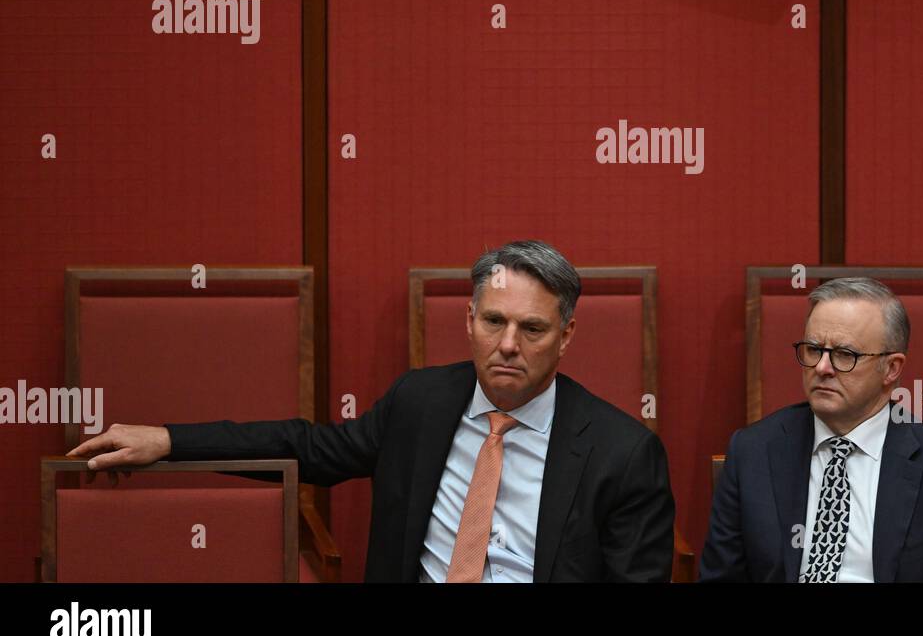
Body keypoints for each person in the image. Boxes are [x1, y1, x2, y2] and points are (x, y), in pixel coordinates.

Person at [68, 240, 676, 582]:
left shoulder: (623, 454)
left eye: (533, 328)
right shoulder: (421, 402)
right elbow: (307, 449)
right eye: (493, 321)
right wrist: (170, 440)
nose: (509, 345)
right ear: (469, 321)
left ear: (567, 336)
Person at [699, 277, 923, 582]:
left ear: (891, 368)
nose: (822, 368)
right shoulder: (752, 451)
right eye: (814, 349)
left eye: (845, 355)